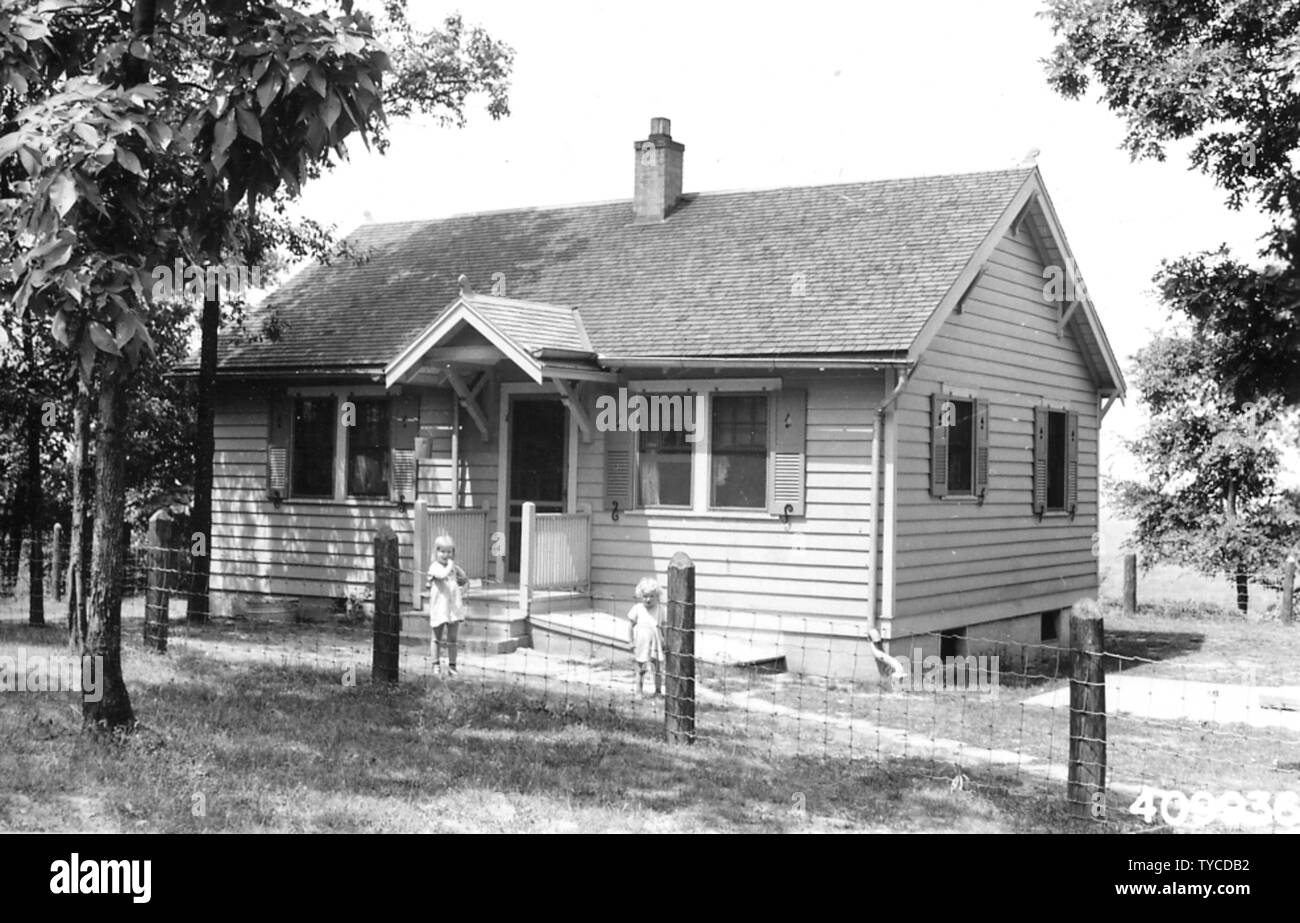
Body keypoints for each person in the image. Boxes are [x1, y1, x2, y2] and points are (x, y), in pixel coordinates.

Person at [426, 534, 469, 679]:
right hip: (439, 607)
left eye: (449, 552)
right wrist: (451, 565)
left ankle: (452, 666)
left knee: (452, 638)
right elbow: (443, 575)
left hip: (453, 608)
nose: (446, 555)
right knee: (436, 637)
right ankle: (435, 664)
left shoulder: (455, 569)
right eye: (442, 551)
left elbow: (465, 580)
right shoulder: (435, 567)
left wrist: (461, 591)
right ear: (436, 552)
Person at [627, 576, 664, 697]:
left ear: (657, 596)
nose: (648, 599)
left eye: (651, 596)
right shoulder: (638, 609)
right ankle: (639, 690)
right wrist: (630, 641)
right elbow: (630, 626)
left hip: (655, 643)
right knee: (641, 668)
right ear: (640, 596)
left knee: (656, 668)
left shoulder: (660, 609)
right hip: (642, 643)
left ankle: (658, 691)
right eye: (645, 596)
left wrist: (665, 641)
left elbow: (664, 627)